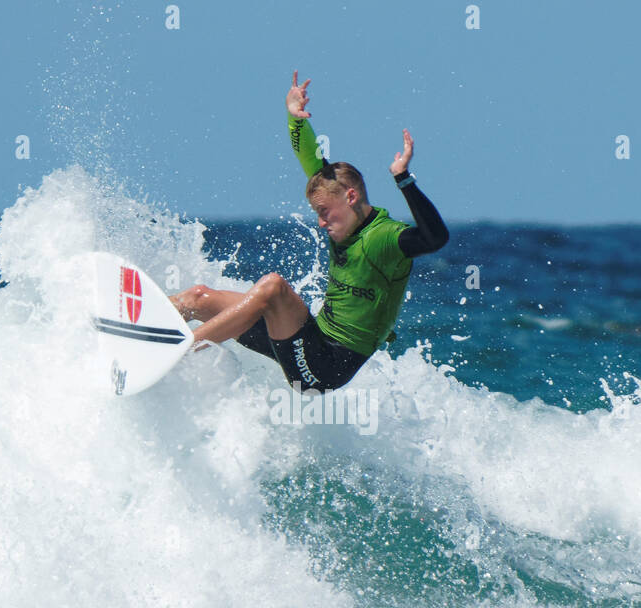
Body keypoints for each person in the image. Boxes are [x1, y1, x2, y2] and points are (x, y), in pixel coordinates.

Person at [169, 70, 449, 392]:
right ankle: (136, 327)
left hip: (326, 369)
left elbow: (435, 238)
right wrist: (296, 120)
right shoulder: (339, 206)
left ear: (351, 197)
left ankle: (175, 353)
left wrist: (404, 180)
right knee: (199, 297)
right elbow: (314, 163)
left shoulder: (384, 238)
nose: (321, 222)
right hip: (307, 340)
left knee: (272, 288)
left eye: (324, 212)